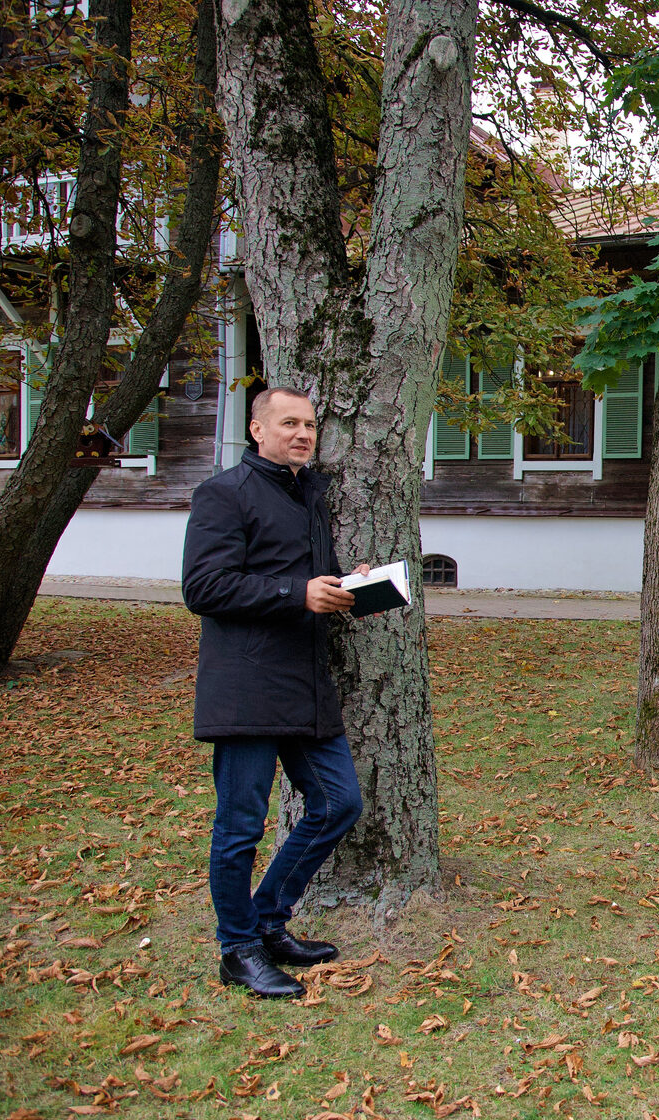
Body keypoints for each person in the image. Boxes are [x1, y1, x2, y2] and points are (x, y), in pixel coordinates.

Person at [182, 387, 368, 999]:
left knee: (338, 803)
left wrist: (349, 585)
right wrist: (297, 595)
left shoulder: (309, 494)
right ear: (257, 430)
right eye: (289, 423)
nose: (303, 433)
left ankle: (267, 921)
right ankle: (237, 950)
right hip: (245, 687)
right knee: (240, 826)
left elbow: (305, 575)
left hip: (304, 682)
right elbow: (204, 587)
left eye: (310, 424)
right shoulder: (223, 493)